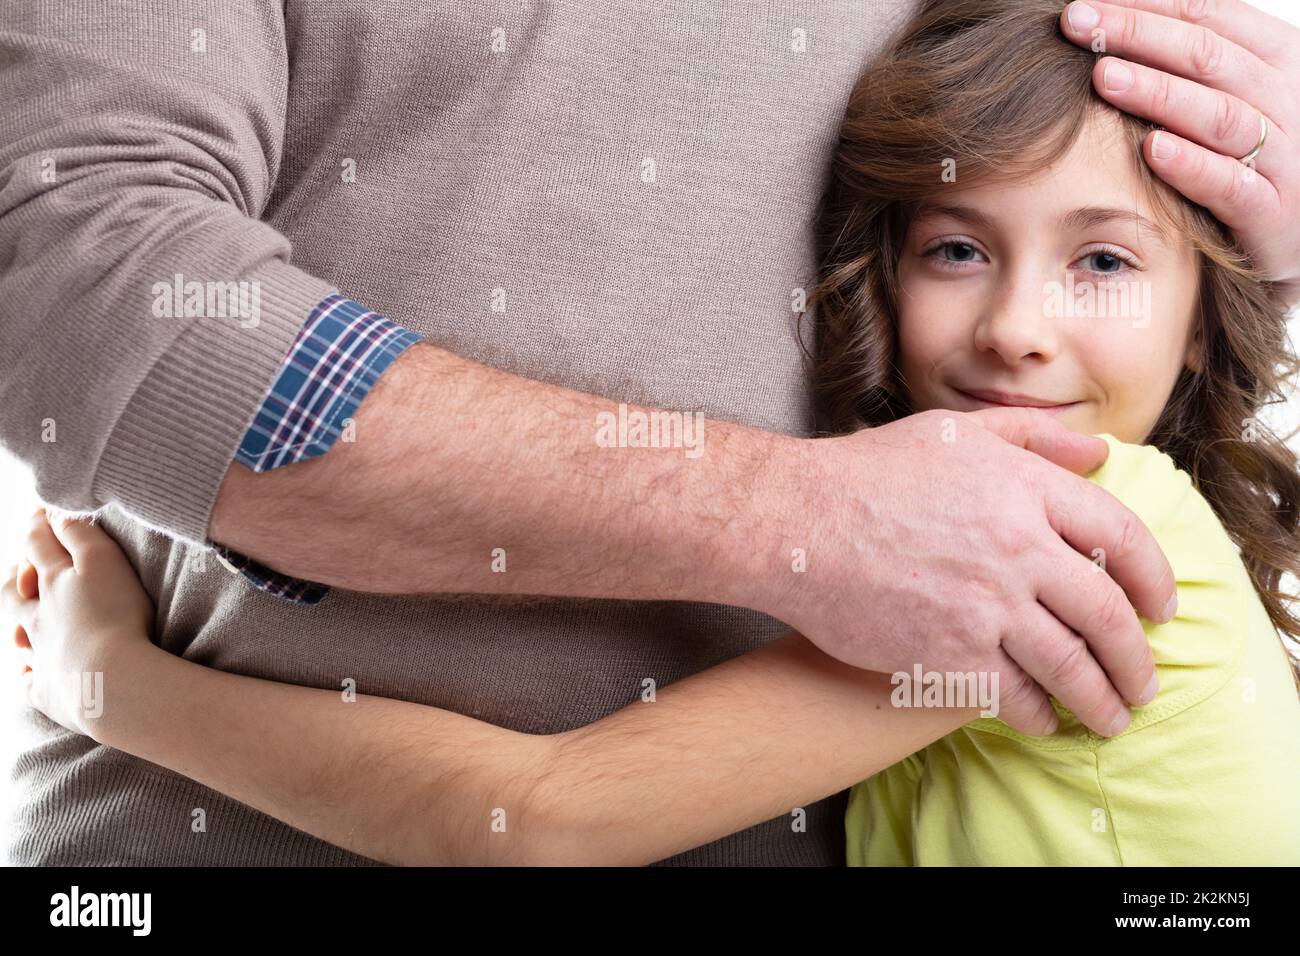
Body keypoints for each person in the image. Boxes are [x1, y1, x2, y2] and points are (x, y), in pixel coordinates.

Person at [3, 0, 1298, 865]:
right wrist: (798, 522)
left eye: (1108, 266)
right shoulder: (1058, 539)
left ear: (1207, 311)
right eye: (953, 251)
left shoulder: (1071, 545)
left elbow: (535, 824)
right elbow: (66, 254)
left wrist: (111, 683)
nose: (1020, 329)